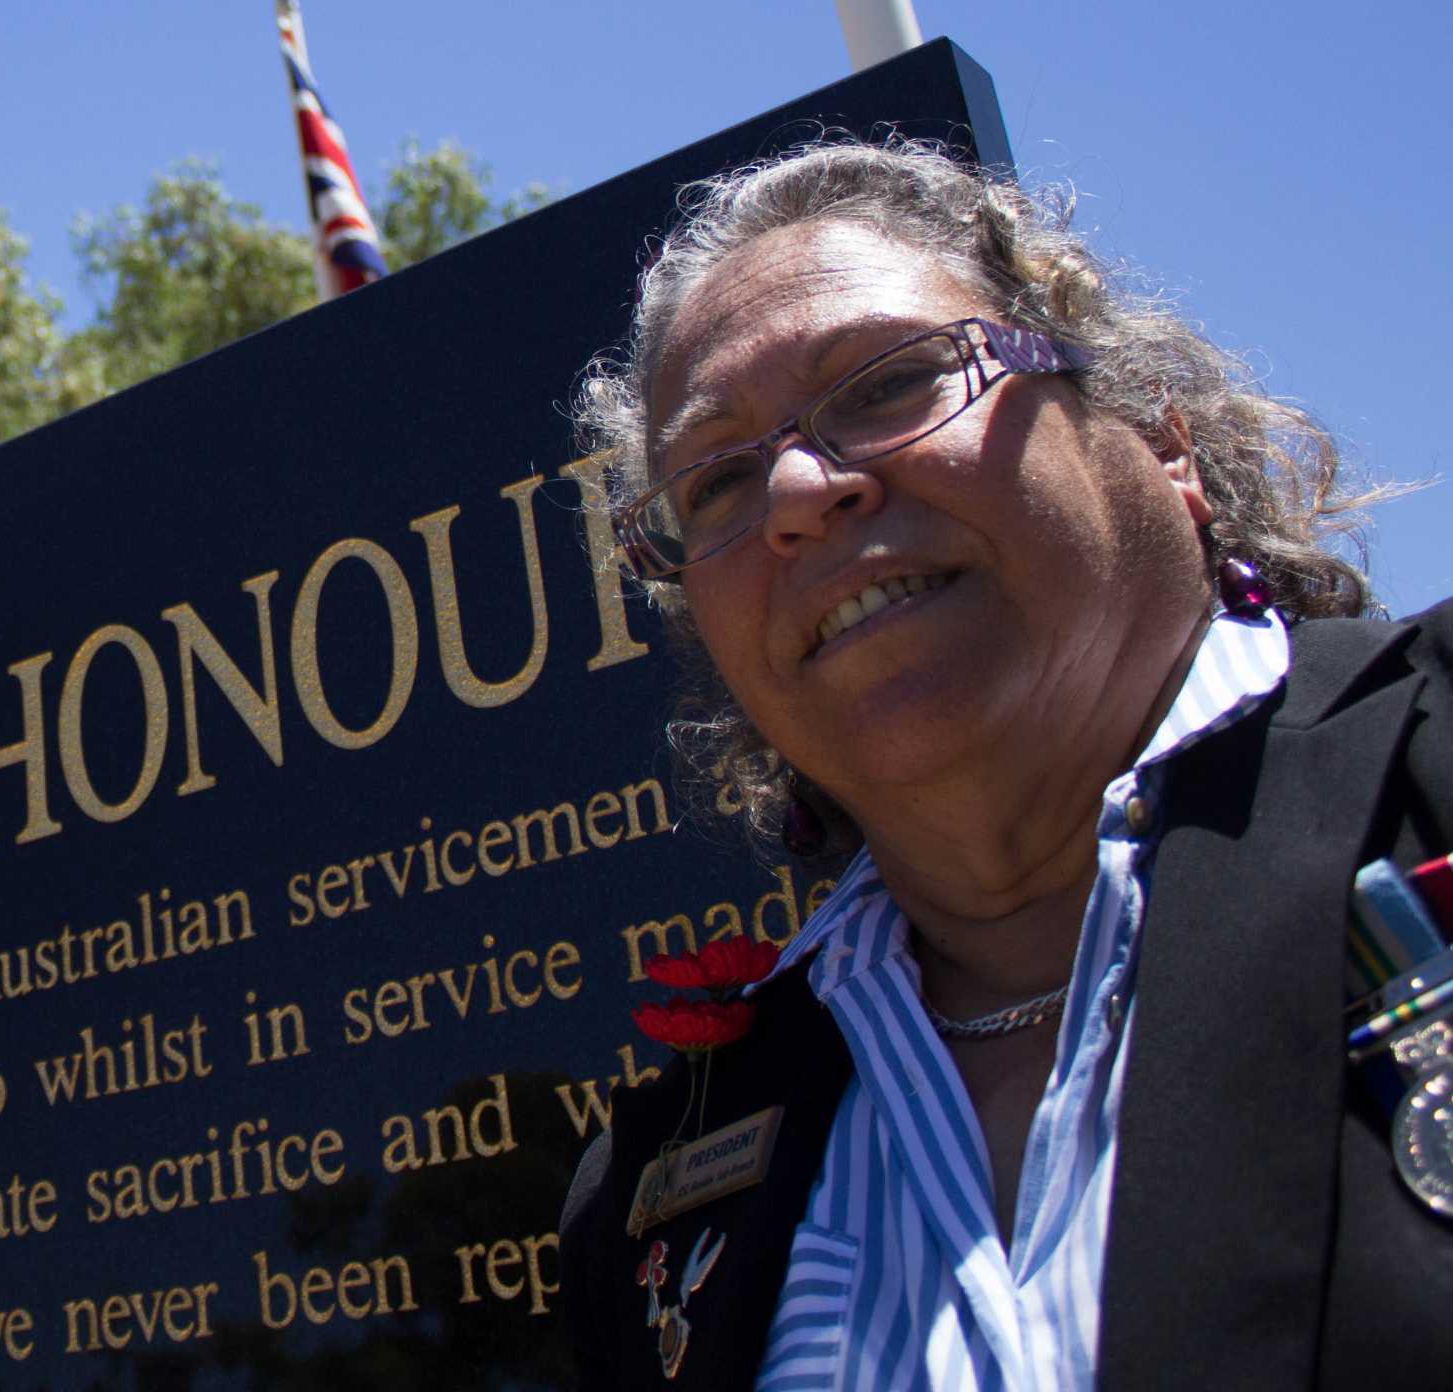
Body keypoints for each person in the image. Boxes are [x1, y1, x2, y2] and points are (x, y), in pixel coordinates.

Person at [555, 140, 1451, 1388]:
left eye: (890, 380)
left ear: (1158, 436)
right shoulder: (655, 1189)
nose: (799, 492)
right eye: (715, 480)